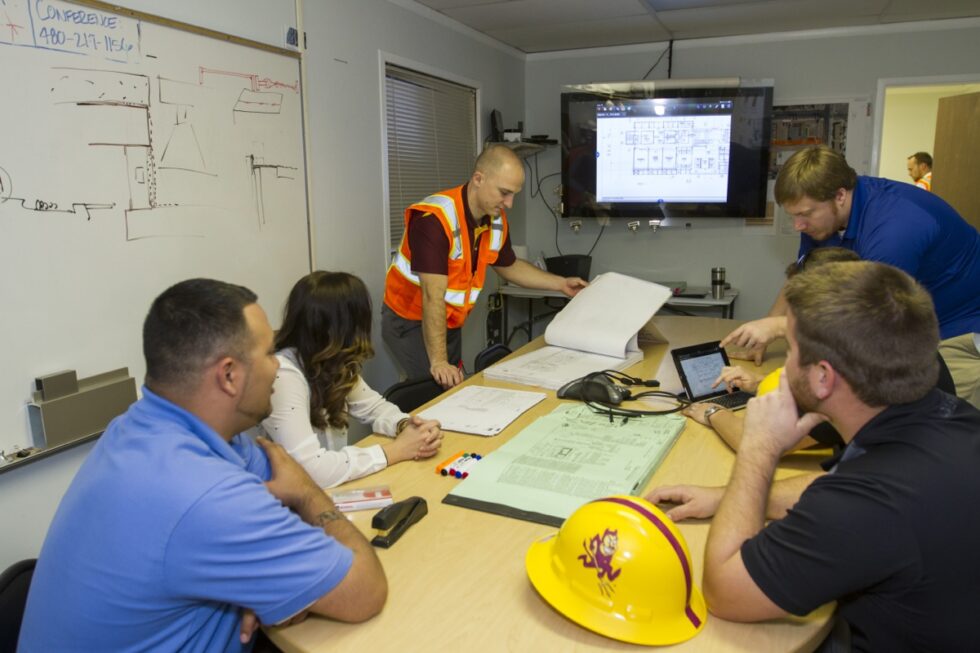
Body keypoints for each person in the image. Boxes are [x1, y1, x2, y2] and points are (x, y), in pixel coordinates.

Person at [19, 279, 387, 652]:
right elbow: (365, 591)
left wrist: (267, 586)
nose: (278, 368)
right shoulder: (204, 494)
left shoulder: (145, 427)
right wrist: (309, 492)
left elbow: (276, 503)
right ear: (229, 375)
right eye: (270, 353)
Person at [648, 261, 980, 652]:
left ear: (823, 377)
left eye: (791, 350)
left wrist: (759, 448)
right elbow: (838, 483)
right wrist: (724, 498)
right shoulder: (953, 417)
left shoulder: (865, 506)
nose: (785, 367)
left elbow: (725, 592)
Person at [721, 145, 980, 407]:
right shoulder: (828, 210)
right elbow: (804, 279)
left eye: (804, 214)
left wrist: (779, 328)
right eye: (793, 215)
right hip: (908, 326)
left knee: (925, 419)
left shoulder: (893, 233)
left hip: (960, 334)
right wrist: (767, 327)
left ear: (840, 196)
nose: (798, 225)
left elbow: (865, 327)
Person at [382, 143, 588, 389]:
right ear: (478, 179)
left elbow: (509, 265)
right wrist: (438, 361)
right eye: (504, 192)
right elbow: (432, 296)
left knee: (451, 389)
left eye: (514, 194)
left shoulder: (495, 219)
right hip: (409, 321)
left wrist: (561, 284)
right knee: (433, 392)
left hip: (448, 322)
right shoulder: (434, 221)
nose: (509, 203)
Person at [254, 271, 443, 488]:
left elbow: (375, 408)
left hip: (329, 489)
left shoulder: (331, 362)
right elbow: (310, 469)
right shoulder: (283, 376)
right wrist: (396, 451)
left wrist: (407, 427)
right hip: (291, 499)